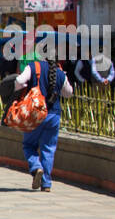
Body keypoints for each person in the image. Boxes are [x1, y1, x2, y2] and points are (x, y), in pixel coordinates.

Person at [14, 49, 73, 192]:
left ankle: (36, 167)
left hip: (35, 114)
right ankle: (46, 183)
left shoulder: (33, 67)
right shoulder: (60, 73)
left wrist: (24, 91)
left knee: (28, 145)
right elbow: (69, 93)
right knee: (48, 149)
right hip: (54, 115)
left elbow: (19, 81)